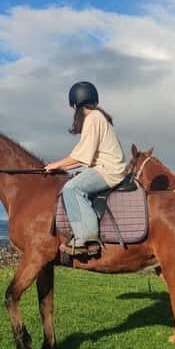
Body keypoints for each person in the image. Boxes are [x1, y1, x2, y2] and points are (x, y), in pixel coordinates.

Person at [44, 81, 128, 256]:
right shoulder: (98, 117)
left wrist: (54, 165)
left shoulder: (93, 118)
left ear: (75, 104)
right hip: (106, 167)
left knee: (72, 188)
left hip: (108, 170)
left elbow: (82, 156)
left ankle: (86, 238)